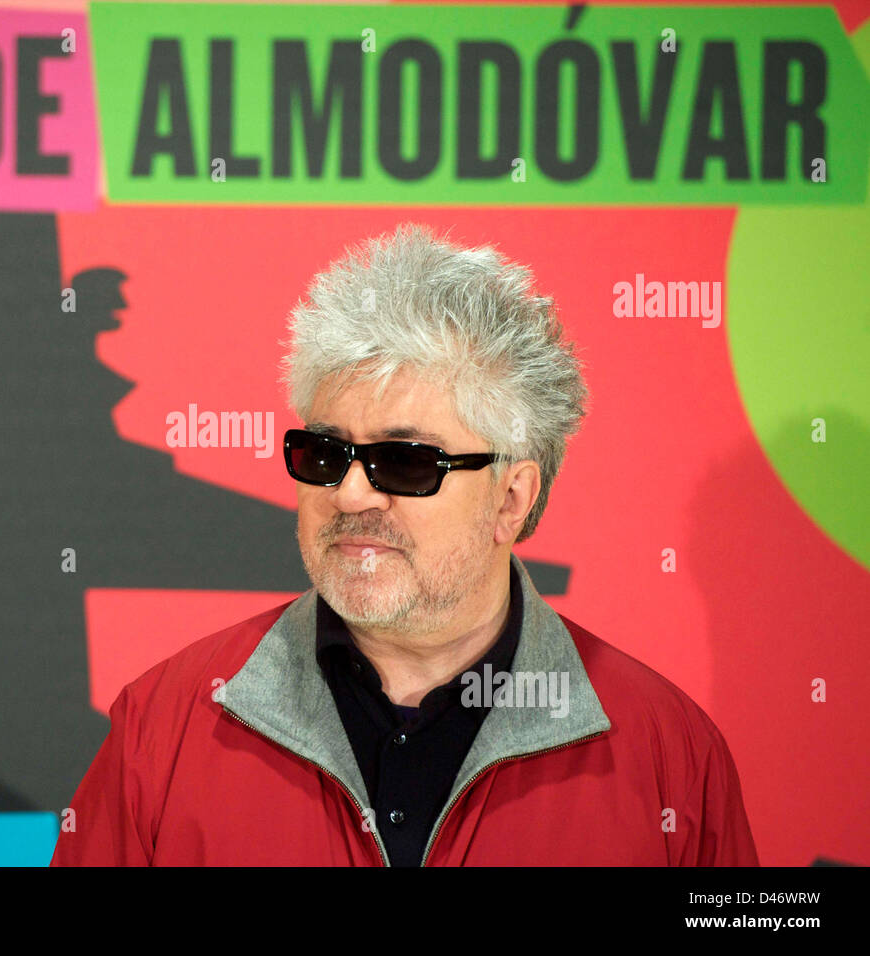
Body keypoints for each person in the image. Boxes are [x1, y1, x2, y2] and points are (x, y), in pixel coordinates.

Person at [49, 222, 758, 866]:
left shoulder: (670, 757)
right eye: (325, 454)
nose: (352, 494)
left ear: (510, 499)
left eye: (408, 462)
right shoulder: (163, 727)